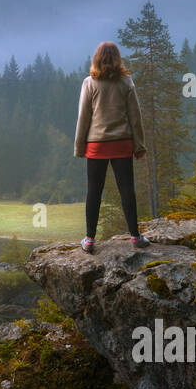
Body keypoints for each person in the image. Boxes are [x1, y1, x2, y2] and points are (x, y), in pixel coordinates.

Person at [73, 41, 149, 252]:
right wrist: (139, 145)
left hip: (96, 145)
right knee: (127, 190)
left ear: (96, 58)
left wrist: (80, 147)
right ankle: (135, 237)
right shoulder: (126, 82)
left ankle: (89, 240)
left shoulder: (89, 83)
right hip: (122, 144)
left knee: (93, 192)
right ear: (117, 59)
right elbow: (136, 117)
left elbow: (83, 118)